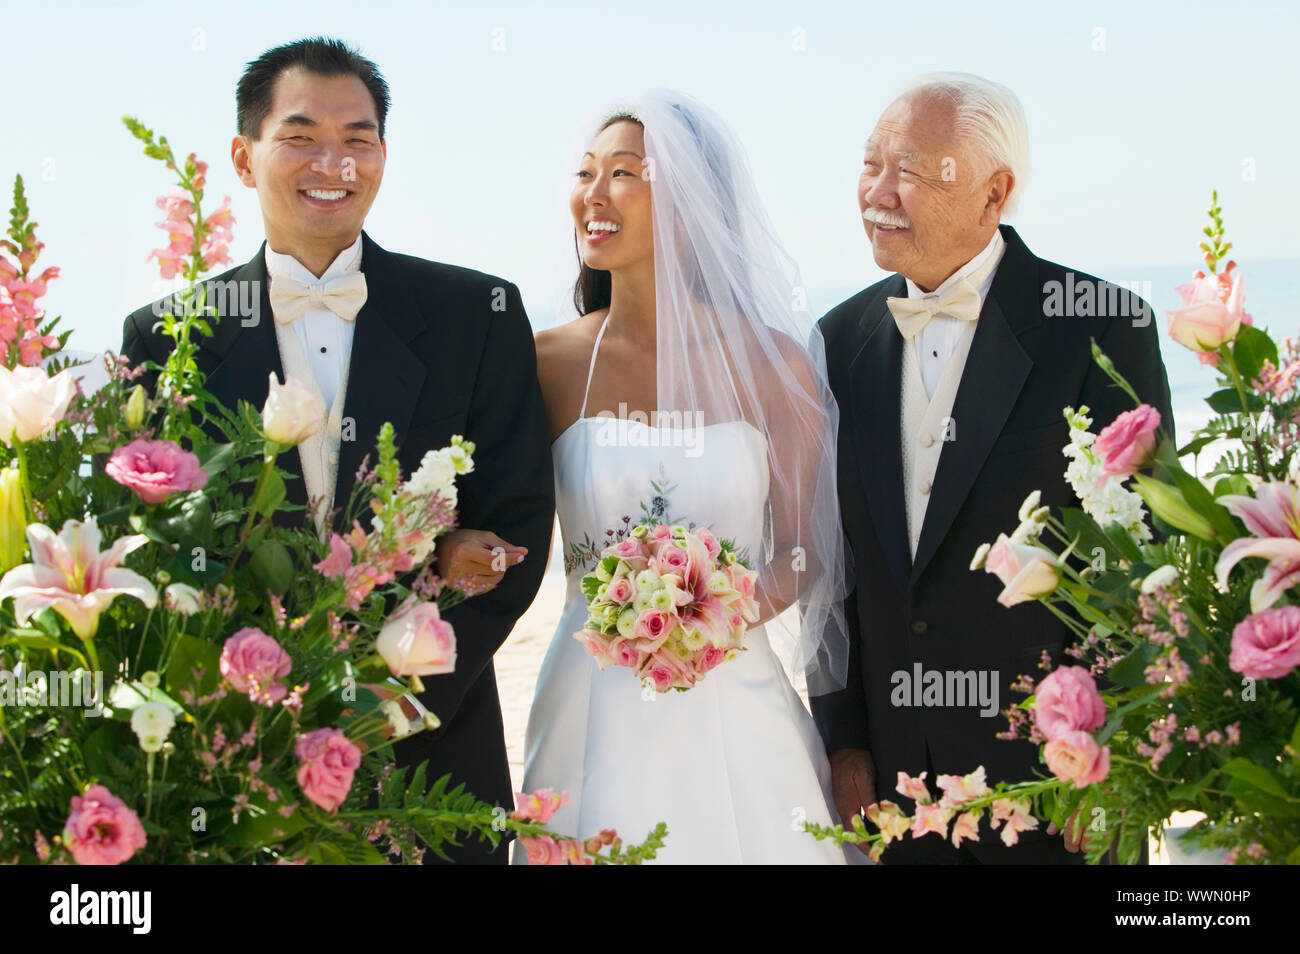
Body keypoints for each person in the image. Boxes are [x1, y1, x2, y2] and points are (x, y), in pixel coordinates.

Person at [119, 37, 554, 864]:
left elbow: (519, 524)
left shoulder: (479, 314)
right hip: (242, 764)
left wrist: (393, 697)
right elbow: (163, 551)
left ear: (383, 155)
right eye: (301, 136)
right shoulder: (167, 335)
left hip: (435, 757)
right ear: (245, 159)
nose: (334, 162)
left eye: (358, 139)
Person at [460, 89, 857, 863]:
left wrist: (704, 615)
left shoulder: (774, 363)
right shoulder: (544, 362)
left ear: (693, 204)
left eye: (624, 174)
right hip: (587, 696)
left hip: (733, 700)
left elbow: (806, 551)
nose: (593, 196)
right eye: (585, 173)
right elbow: (497, 525)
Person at [812, 72, 1173, 863]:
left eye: (908, 169)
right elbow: (831, 568)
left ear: (993, 192)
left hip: (1057, 781)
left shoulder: (1102, 327)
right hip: (894, 787)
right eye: (869, 163)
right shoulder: (836, 341)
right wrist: (843, 740)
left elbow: (1143, 559)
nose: (877, 190)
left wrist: (1114, 750)